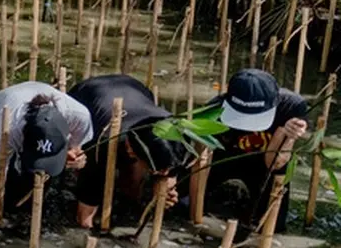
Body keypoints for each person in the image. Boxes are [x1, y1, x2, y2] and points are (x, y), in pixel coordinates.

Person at [68, 74, 190, 228]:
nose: (164, 173)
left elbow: (169, 172)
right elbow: (84, 218)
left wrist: (163, 192)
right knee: (91, 178)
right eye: (157, 169)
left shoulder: (177, 135)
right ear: (131, 151)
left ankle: (131, 197)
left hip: (136, 88)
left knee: (133, 187)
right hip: (85, 96)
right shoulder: (102, 146)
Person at [200, 69, 309, 232]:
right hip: (223, 159)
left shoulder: (292, 107)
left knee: (272, 227)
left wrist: (286, 134)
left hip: (265, 165)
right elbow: (200, 163)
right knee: (183, 207)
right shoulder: (214, 108)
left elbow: (275, 164)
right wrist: (195, 218)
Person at [0, 81, 93, 222]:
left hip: (32, 103)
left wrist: (75, 158)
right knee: (9, 195)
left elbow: (76, 149)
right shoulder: (6, 130)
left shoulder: (79, 117)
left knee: (35, 187)